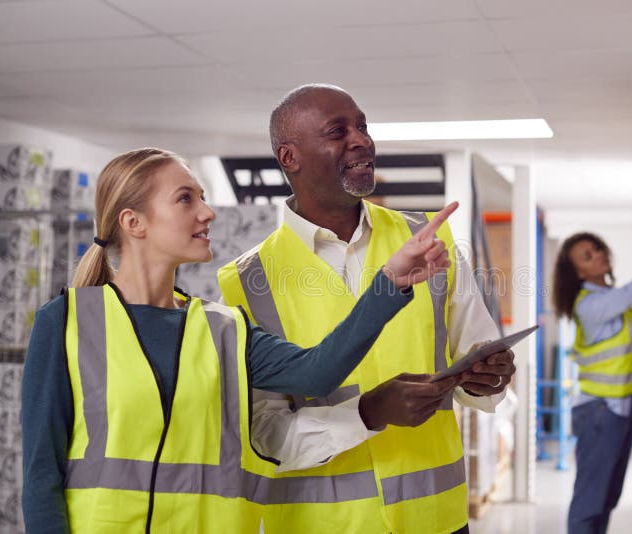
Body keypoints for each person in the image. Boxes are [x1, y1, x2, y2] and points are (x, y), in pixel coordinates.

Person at [21, 147, 461, 533]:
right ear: (134, 222)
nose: (207, 212)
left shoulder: (223, 327)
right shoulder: (67, 322)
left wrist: (390, 282)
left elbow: (318, 372)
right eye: (185, 199)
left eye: (203, 198)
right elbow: (42, 475)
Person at [217, 84, 517, 534]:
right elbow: (261, 435)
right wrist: (367, 413)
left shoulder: (429, 243)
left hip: (437, 520)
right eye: (338, 131)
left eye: (362, 126)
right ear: (289, 158)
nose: (361, 140)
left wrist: (487, 377)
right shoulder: (244, 284)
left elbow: (478, 360)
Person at [552, 212, 632, 534]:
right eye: (587, 256)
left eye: (598, 249)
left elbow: (619, 351)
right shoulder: (590, 305)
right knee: (590, 500)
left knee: (606, 497)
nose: (599, 256)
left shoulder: (605, 300)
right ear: (577, 272)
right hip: (600, 412)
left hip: (617, 409)